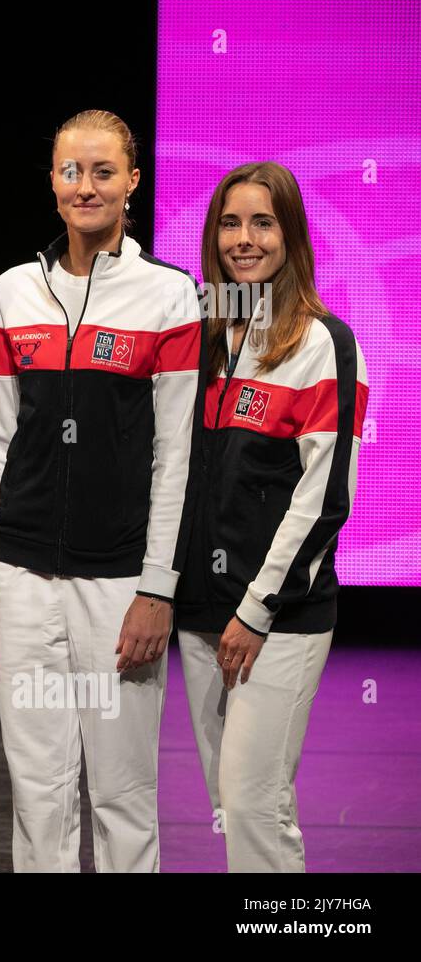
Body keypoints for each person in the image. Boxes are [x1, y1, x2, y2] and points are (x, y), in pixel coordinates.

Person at [0, 110, 201, 872]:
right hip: (22, 577)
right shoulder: (10, 293)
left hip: (121, 582)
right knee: (38, 792)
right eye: (71, 171)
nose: (86, 186)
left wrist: (157, 588)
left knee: (123, 797)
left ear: (133, 181)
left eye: (103, 171)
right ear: (54, 183)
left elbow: (175, 457)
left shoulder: (169, 295)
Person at [174, 162, 368, 872]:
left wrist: (257, 610)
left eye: (263, 222)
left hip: (276, 618)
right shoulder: (202, 338)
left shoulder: (324, 343)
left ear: (291, 234)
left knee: (256, 802)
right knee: (235, 803)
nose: (244, 238)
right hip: (201, 612)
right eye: (230, 222)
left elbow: (323, 501)